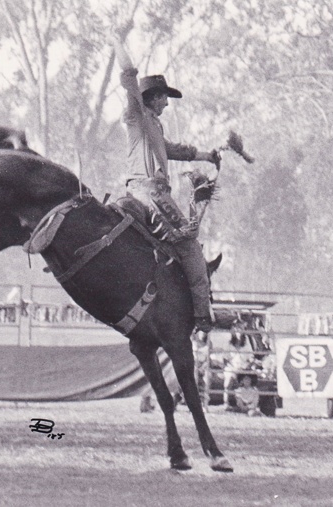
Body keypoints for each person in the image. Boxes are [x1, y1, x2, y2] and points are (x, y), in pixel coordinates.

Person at [110, 30, 220, 333]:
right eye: (164, 98)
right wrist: (117, 42)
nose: (167, 104)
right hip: (152, 195)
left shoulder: (152, 126)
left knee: (179, 245)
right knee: (189, 244)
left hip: (146, 192)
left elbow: (173, 150)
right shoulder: (137, 116)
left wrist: (207, 154)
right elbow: (129, 76)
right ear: (153, 98)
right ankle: (201, 316)